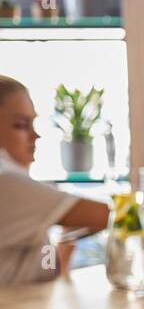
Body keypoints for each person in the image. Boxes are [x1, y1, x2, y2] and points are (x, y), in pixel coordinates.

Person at [0, 76, 111, 283]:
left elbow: (43, 270)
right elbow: (116, 215)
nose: (35, 135)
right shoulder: (6, 181)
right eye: (21, 125)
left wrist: (63, 244)